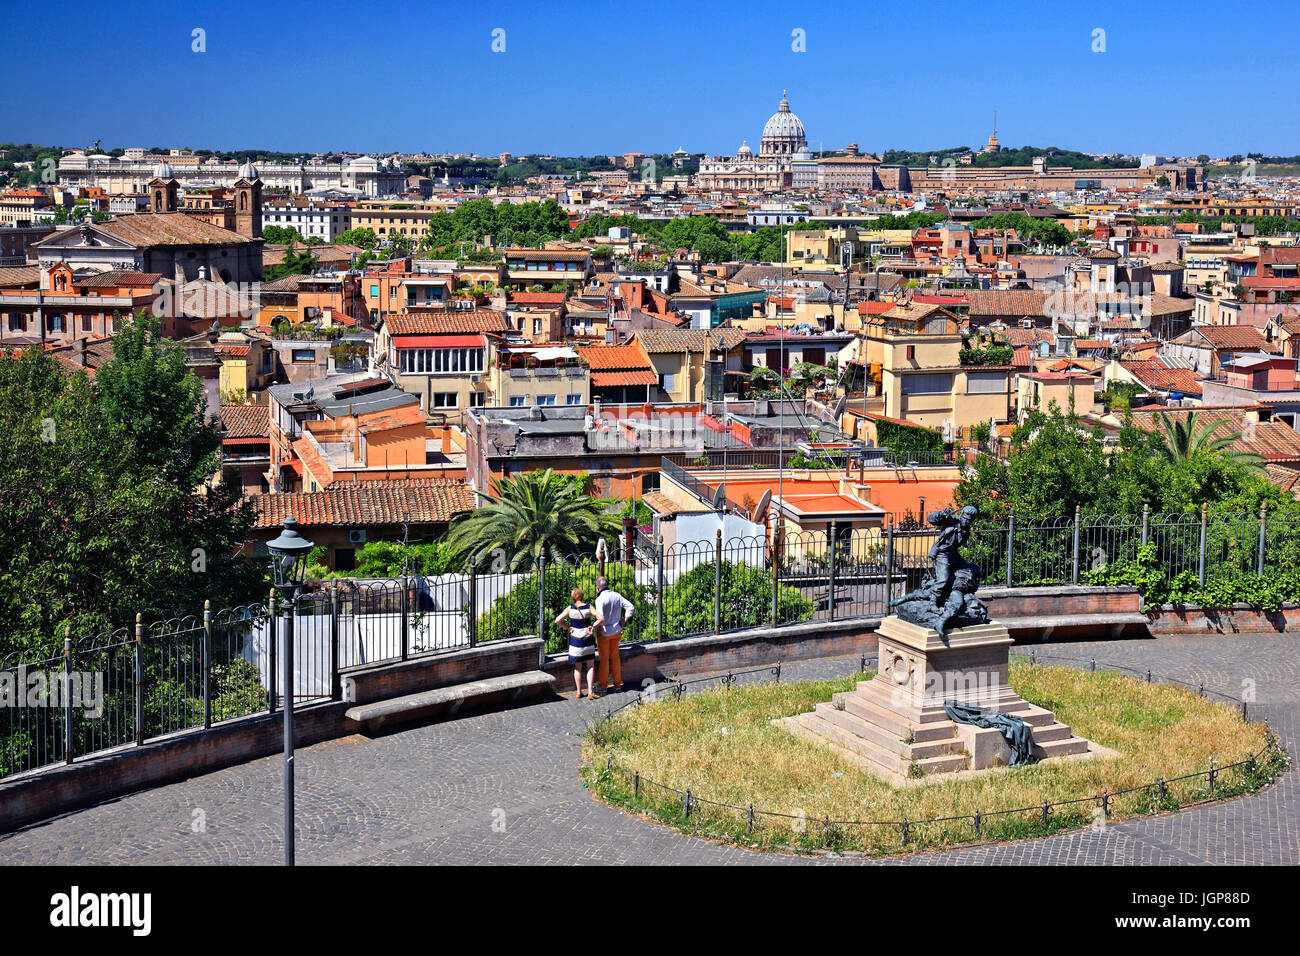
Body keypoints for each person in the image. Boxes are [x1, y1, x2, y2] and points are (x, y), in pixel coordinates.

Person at [593, 575, 634, 692]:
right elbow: (630, 607)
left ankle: (603, 685)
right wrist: (624, 620)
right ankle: (617, 684)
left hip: (604, 632)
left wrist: (599, 626)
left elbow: (600, 616)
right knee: (615, 658)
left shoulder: (599, 599)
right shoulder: (617, 595)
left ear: (598, 587)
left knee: (604, 659)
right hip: (616, 630)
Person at [555, 588, 597, 698]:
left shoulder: (570, 609)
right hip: (587, 639)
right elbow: (601, 618)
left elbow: (557, 620)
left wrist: (568, 627)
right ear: (582, 596)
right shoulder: (589, 607)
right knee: (590, 666)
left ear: (573, 597)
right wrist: (593, 626)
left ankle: (578, 691)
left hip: (575, 641)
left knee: (577, 667)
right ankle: (590, 692)